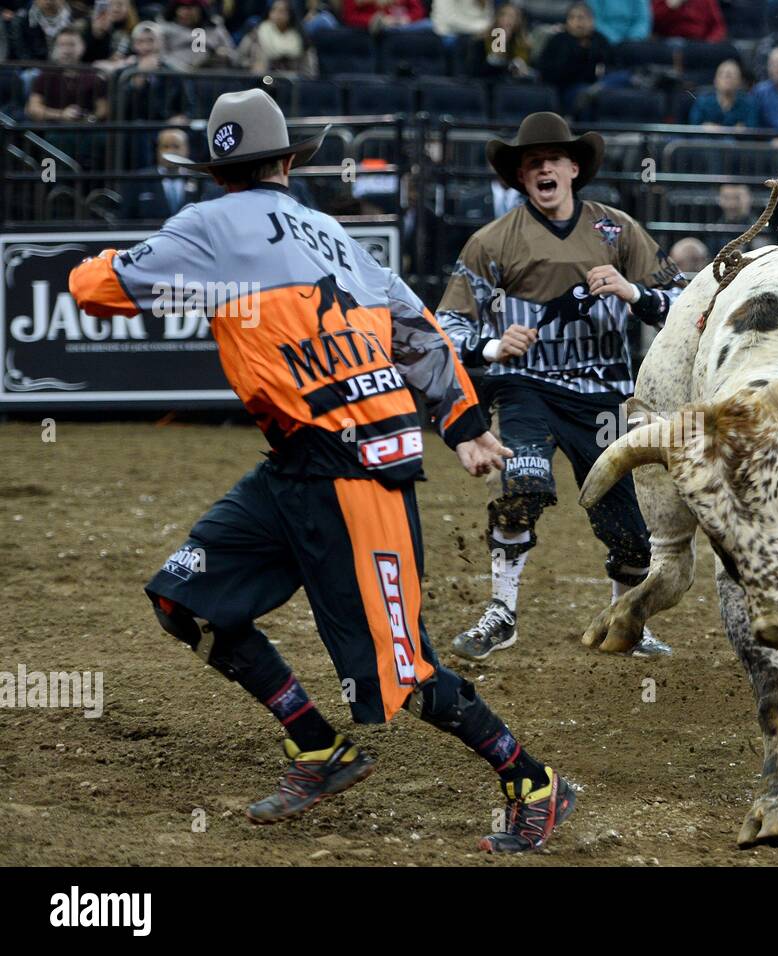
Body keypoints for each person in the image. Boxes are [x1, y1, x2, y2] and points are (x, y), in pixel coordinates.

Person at [67, 88, 576, 853]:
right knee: (186, 597)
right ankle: (315, 745)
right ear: (284, 163)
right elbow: (421, 332)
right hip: (311, 464)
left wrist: (101, 262)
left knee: (404, 672)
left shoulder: (207, 225)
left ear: (217, 171)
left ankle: (533, 781)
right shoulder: (335, 233)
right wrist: (465, 424)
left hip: (348, 471)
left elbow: (97, 290)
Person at [433, 111, 684, 661]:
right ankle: (501, 614)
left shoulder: (616, 230)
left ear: (574, 168)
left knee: (630, 531)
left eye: (552, 160)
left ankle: (626, 620)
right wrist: (493, 348)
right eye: (531, 164)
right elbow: (447, 325)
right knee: (524, 483)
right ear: (521, 178)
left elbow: (685, 303)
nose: (543, 170)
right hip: (527, 388)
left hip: (606, 396)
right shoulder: (492, 240)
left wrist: (632, 293)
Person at [535, 2, 612, 112]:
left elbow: (610, 66)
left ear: (592, 21)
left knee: (621, 77)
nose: (577, 22)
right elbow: (546, 70)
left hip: (600, 87)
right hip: (563, 90)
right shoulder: (558, 40)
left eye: (581, 17)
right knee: (583, 96)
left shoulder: (600, 40)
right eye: (572, 18)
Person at [25, 28, 110, 123]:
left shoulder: (94, 76)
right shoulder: (45, 75)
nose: (67, 50)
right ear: (55, 49)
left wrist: (89, 119)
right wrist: (62, 114)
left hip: (86, 131)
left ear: (82, 47)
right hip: (53, 129)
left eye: (72, 44)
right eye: (62, 45)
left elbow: (103, 110)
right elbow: (33, 109)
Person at [118, 126, 202, 219]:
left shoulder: (199, 179)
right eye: (165, 146)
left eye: (176, 146)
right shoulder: (138, 180)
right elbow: (125, 218)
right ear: (158, 150)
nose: (171, 151)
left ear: (187, 149)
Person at [237, 0, 317, 75]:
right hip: (259, 82)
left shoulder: (300, 38)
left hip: (291, 85)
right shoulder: (255, 35)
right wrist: (251, 66)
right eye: (274, 10)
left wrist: (296, 76)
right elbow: (238, 59)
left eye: (282, 11)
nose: (277, 15)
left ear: (290, 14)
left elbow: (310, 71)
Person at [159, 0, 236, 71]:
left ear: (202, 10)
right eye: (182, 8)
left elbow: (233, 54)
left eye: (191, 8)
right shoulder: (165, 28)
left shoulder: (214, 28)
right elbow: (162, 56)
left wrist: (224, 54)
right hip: (175, 75)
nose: (186, 13)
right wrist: (186, 69)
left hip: (210, 74)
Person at [465, 2, 532, 79]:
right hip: (485, 84)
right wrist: (497, 53)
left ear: (518, 21)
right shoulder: (480, 42)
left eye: (511, 17)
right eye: (502, 15)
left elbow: (527, 73)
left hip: (512, 87)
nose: (506, 20)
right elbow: (475, 72)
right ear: (496, 19)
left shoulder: (522, 45)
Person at [687, 58, 757, 128]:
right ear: (715, 80)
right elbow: (693, 127)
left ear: (740, 81)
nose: (726, 78)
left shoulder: (749, 104)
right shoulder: (702, 102)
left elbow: (751, 129)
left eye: (731, 75)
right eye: (722, 74)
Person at [82, 0, 138, 65]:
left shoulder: (135, 29)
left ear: (129, 7)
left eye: (120, 4)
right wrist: (96, 34)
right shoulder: (86, 25)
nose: (115, 9)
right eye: (110, 4)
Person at [651, 0, 725, 43]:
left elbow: (718, 26)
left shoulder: (707, 1)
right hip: (668, 43)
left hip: (699, 44)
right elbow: (652, 23)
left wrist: (709, 43)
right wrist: (669, 7)